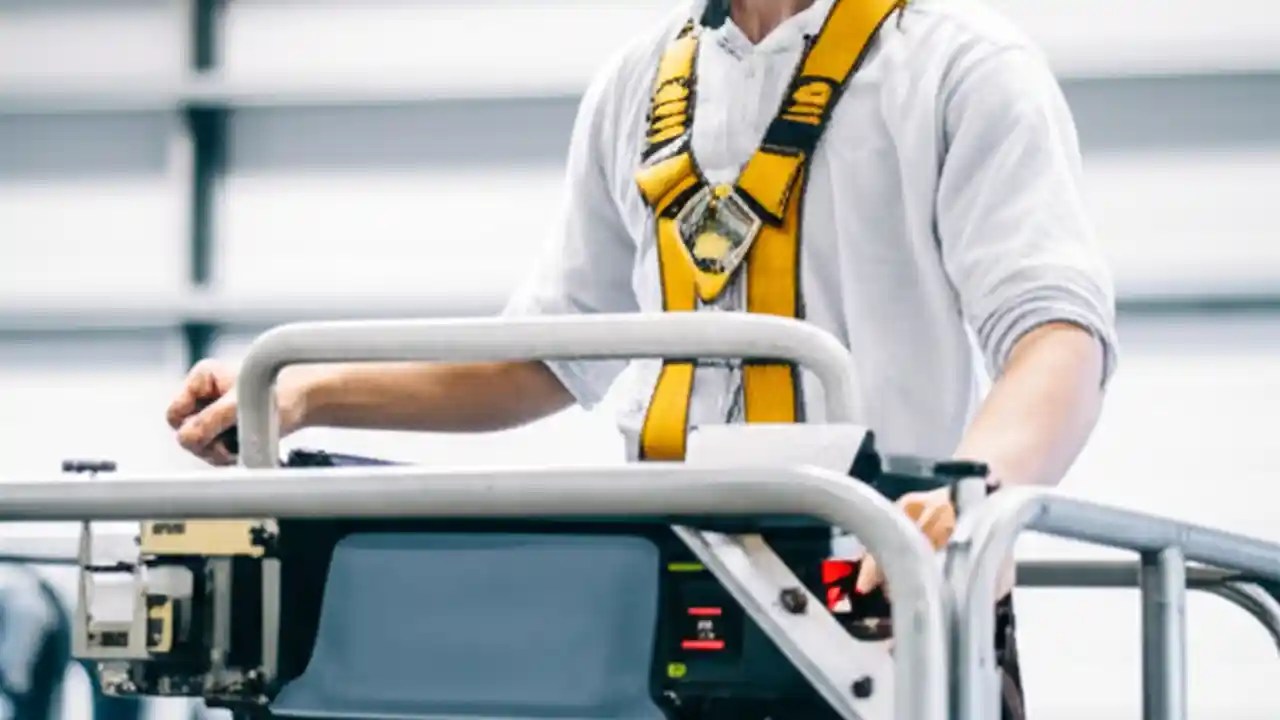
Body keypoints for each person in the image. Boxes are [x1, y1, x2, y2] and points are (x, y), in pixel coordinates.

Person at [167, 0, 1117, 717]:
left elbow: (1055, 332)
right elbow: (546, 353)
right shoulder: (643, 83)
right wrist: (300, 397)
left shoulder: (960, 69)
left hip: (875, 600)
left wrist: (970, 497)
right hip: (657, 605)